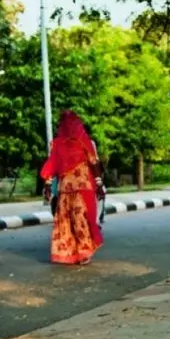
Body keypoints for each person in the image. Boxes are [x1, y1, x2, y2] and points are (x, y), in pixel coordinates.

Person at [41, 111, 104, 265]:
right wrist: (99, 185)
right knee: (77, 221)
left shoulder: (78, 142)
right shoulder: (61, 144)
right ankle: (76, 253)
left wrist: (48, 185)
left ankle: (79, 252)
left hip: (74, 189)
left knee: (71, 221)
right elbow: (94, 163)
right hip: (77, 189)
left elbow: (52, 165)